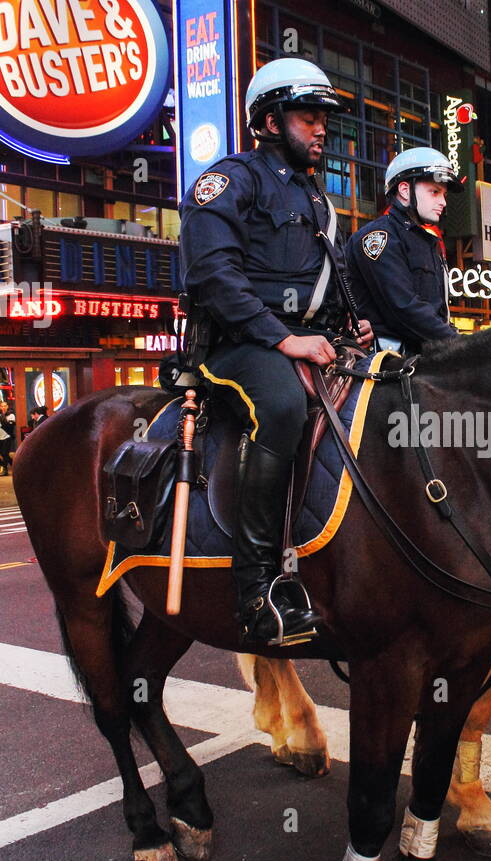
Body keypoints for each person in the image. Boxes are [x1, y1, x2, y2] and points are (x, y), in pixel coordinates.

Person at [178, 57, 374, 648]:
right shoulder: (228, 180)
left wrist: (349, 325)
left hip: (301, 340)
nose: (321, 129)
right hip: (238, 345)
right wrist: (283, 337)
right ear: (267, 120)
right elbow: (212, 273)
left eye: (324, 120)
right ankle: (258, 591)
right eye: (307, 116)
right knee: (283, 405)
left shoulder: (317, 200)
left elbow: (321, 279)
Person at [347, 147, 462, 354]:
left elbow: (436, 312)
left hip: (424, 357)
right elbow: (403, 307)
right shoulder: (378, 236)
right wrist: (460, 344)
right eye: (435, 192)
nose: (443, 202)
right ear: (405, 190)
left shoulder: (428, 241)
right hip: (388, 363)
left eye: (444, 194)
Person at [0, 401, 16, 475]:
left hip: (7, 436)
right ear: (0, 407)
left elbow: (10, 426)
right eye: (2, 406)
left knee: (5, 453)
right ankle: (14, 464)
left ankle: (5, 470)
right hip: (0, 437)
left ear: (7, 407)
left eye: (5, 406)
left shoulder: (11, 415)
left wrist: (4, 417)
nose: (3, 407)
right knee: (3, 453)